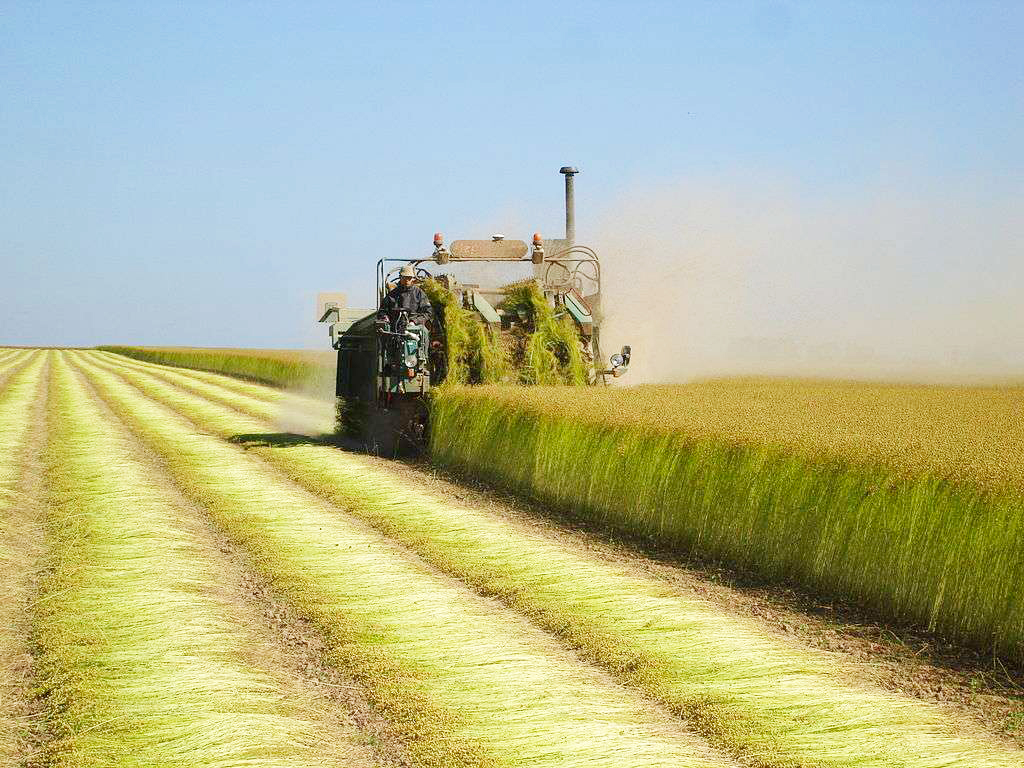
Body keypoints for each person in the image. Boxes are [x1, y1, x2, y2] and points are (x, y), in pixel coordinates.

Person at [378, 263, 431, 364]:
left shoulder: (419, 293)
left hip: (414, 327)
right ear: (400, 277)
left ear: (413, 279)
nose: (407, 280)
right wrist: (385, 318)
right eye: (405, 278)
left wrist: (414, 321)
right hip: (396, 327)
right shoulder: (392, 295)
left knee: (424, 332)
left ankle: (422, 357)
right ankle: (389, 360)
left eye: (409, 278)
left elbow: (428, 312)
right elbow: (382, 311)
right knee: (385, 333)